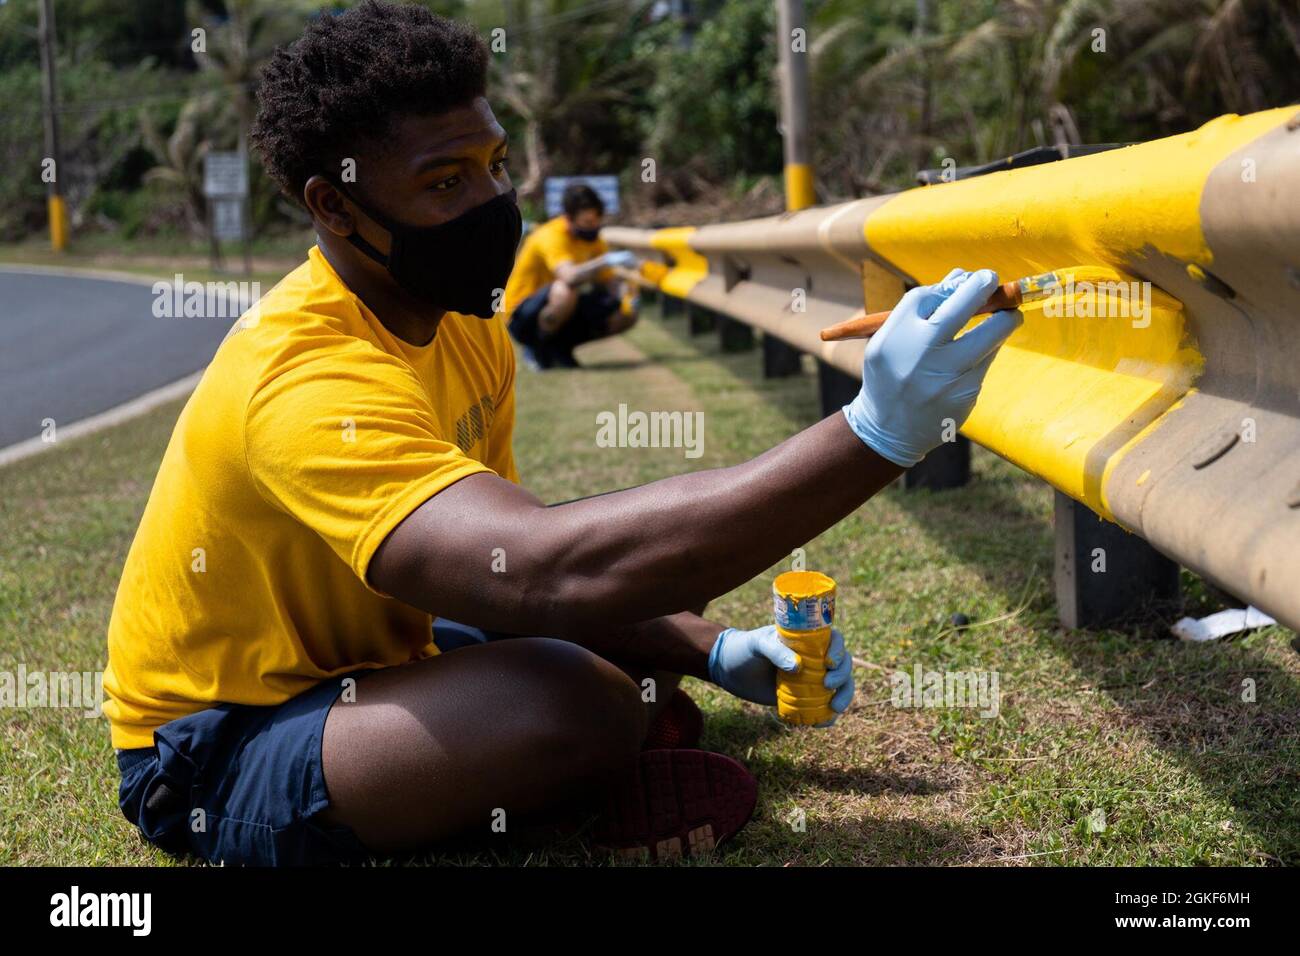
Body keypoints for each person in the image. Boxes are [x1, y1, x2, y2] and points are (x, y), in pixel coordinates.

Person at [103, 0, 1022, 866]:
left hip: (383, 655)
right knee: (572, 703)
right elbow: (544, 568)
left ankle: (556, 760)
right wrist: (873, 433)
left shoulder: (463, 321)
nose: (491, 203)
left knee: (623, 673)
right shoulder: (303, 374)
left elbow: (506, 573)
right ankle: (557, 793)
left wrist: (710, 649)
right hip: (213, 743)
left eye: (497, 165)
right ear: (334, 205)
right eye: (443, 181)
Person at [503, 181, 638, 369]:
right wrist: (606, 260)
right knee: (566, 290)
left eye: (597, 220)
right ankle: (536, 347)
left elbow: (608, 280)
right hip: (522, 313)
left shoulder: (594, 240)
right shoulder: (550, 235)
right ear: (569, 218)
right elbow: (569, 276)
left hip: (561, 307)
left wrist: (625, 295)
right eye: (588, 222)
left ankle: (561, 348)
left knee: (624, 314)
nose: (594, 227)